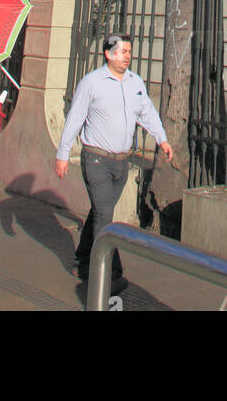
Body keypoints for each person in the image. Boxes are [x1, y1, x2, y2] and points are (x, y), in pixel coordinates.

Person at [54, 32, 172, 286]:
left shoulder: (135, 82)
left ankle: (84, 258)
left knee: (100, 212)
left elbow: (147, 113)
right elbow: (75, 118)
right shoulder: (92, 82)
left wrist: (161, 138)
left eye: (129, 51)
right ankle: (109, 274)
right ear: (108, 53)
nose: (127, 56)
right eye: (122, 51)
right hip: (96, 159)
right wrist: (63, 154)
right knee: (106, 216)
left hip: (120, 162)